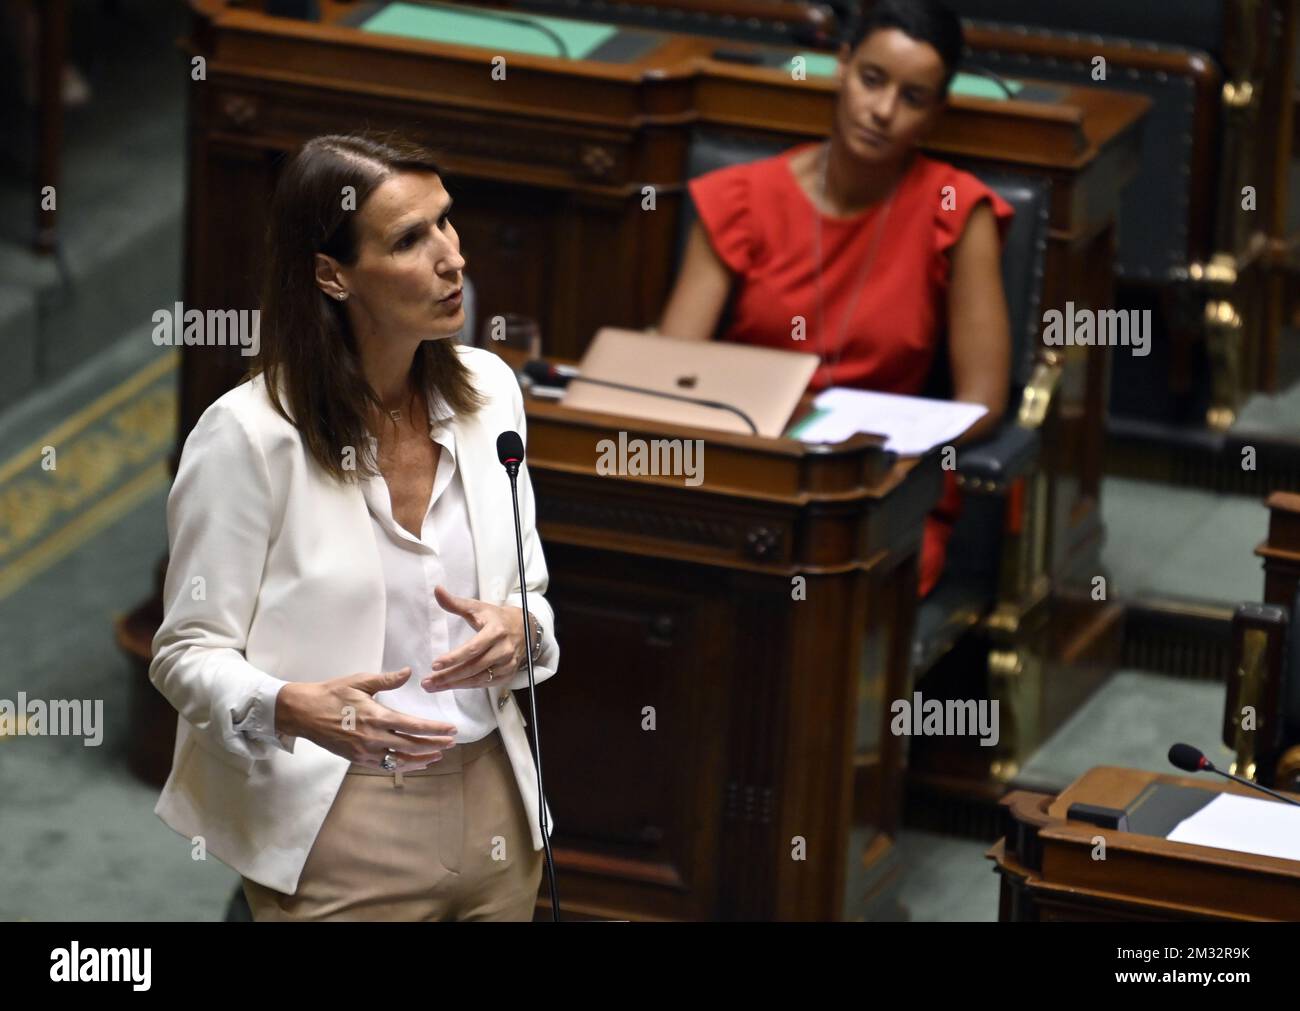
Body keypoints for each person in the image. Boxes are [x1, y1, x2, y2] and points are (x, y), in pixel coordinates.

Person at [150, 133, 558, 921]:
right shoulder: (248, 436)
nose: (451, 259)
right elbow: (184, 652)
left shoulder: (492, 393)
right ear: (332, 275)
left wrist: (521, 630)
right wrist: (290, 705)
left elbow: (531, 597)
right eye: (410, 239)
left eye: (446, 223)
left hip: (497, 804)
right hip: (338, 818)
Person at [658, 0, 1014, 598]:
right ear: (842, 67)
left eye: (913, 97)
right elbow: (672, 369)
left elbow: (982, 401)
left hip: (877, 479)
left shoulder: (954, 209)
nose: (882, 111)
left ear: (935, 112)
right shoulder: (744, 198)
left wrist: (904, 453)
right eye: (873, 80)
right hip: (752, 463)